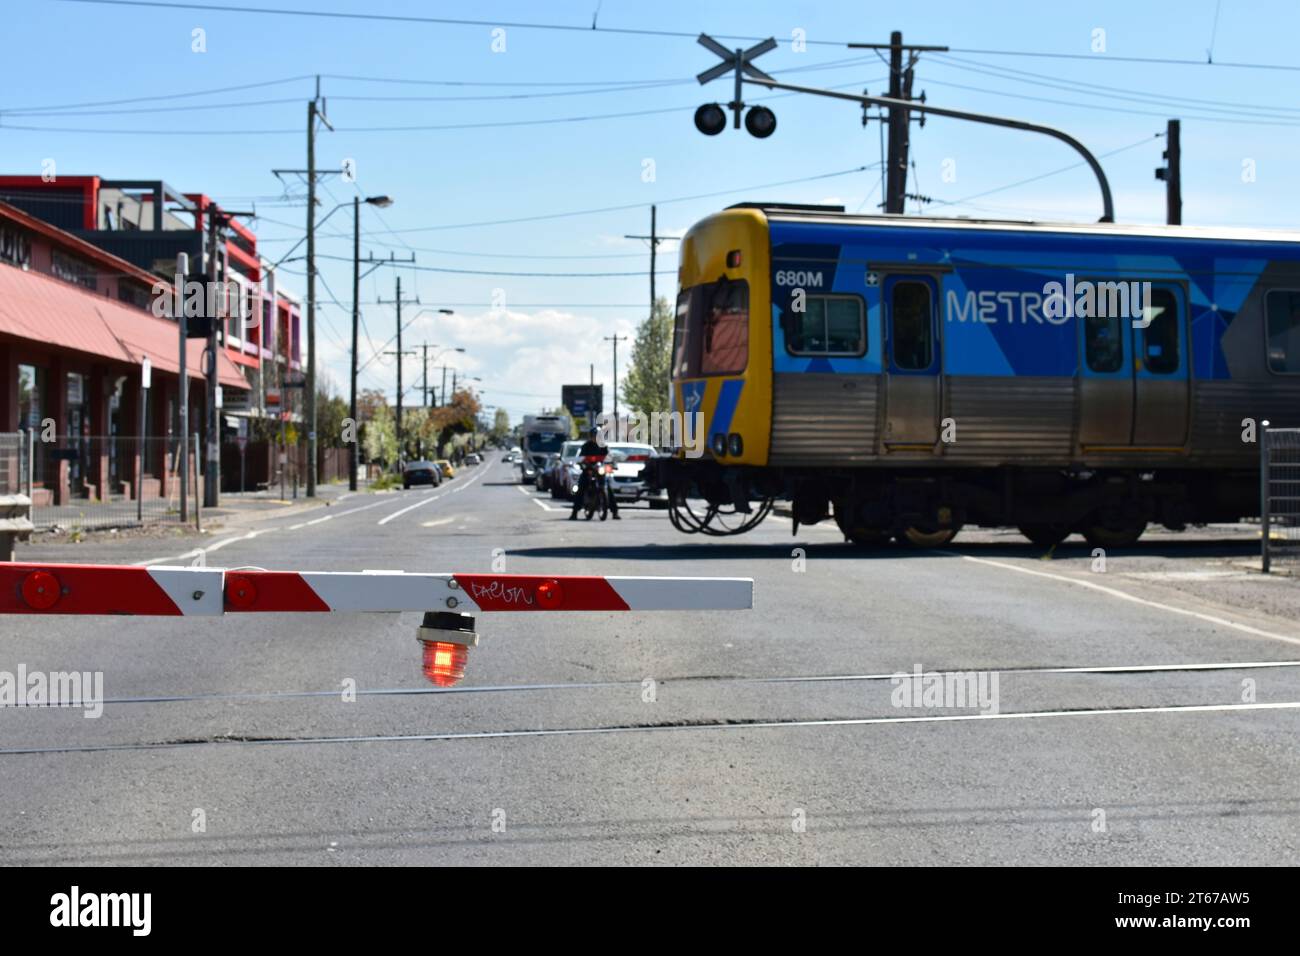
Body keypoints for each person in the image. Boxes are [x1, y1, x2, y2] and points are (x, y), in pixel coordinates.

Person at [569, 426, 620, 520]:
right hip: (588, 471)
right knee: (580, 489)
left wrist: (614, 465)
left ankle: (615, 512)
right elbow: (581, 459)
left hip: (600, 471)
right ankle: (574, 513)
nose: (596, 438)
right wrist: (583, 465)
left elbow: (610, 457)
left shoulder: (604, 447)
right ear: (591, 436)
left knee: (609, 489)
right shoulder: (586, 446)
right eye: (594, 436)